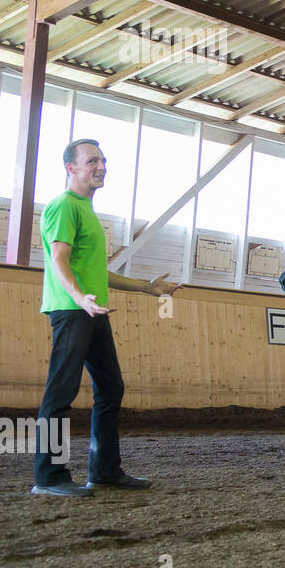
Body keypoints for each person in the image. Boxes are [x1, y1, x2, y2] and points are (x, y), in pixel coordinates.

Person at [32, 139, 180, 497]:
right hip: (72, 310)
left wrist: (148, 288)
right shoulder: (64, 207)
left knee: (111, 387)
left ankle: (104, 471)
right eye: (92, 160)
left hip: (92, 310)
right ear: (71, 168)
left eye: (103, 161)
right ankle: (48, 477)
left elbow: (98, 271)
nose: (101, 166)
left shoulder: (86, 210)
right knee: (60, 392)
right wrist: (79, 297)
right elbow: (59, 260)